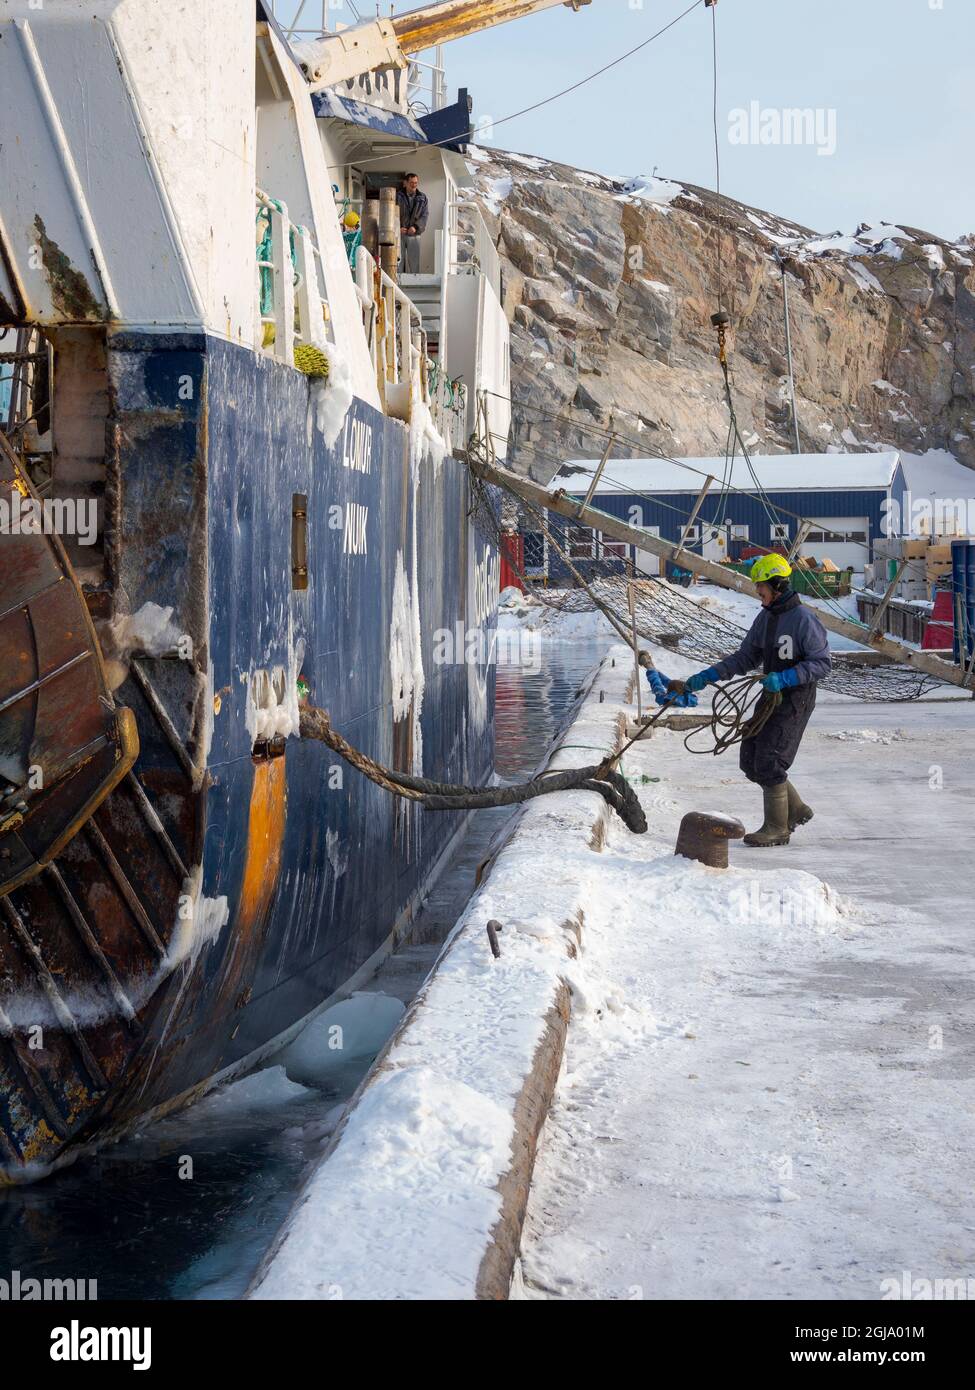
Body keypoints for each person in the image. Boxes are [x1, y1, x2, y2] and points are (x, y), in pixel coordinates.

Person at [668, 554, 831, 847]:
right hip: (771, 695)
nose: (758, 593)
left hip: (795, 698)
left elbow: (822, 663)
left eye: (761, 588)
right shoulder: (765, 618)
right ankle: (795, 808)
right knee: (751, 759)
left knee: (770, 759)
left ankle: (777, 828)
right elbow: (746, 657)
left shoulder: (804, 619)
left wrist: (785, 678)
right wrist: (708, 676)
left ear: (778, 585)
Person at [396, 173, 428, 274]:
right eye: (411, 183)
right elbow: (391, 214)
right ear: (405, 183)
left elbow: (425, 215)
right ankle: (397, 285)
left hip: (414, 235)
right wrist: (398, 228)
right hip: (399, 234)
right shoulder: (397, 197)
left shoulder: (423, 198)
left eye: (416, 183)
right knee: (398, 262)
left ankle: (414, 284)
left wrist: (415, 227)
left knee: (414, 263)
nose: (414, 185)